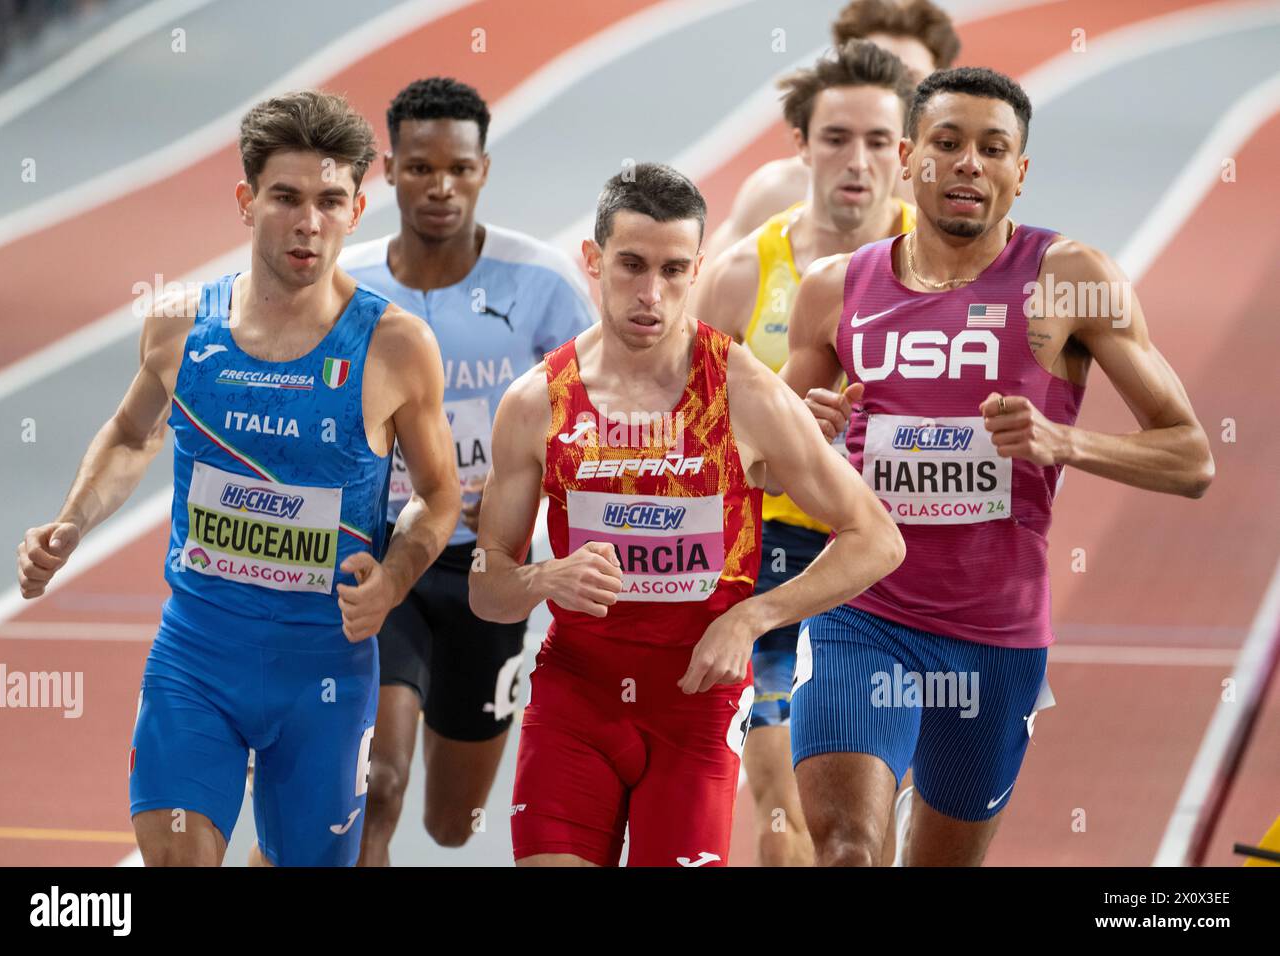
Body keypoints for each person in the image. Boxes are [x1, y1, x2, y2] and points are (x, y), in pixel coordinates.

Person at [16, 90, 461, 867]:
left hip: (325, 671)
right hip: (198, 654)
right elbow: (130, 434)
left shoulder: (395, 347)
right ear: (245, 201)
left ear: (358, 211)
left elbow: (438, 494)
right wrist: (72, 523)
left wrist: (395, 578)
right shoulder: (181, 324)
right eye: (286, 197)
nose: (308, 222)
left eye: (330, 201)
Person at [782, 67, 1214, 866]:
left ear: (1022, 171)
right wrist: (802, 435)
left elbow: (1190, 457)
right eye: (947, 144)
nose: (969, 164)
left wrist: (1066, 442)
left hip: (994, 637)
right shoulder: (834, 288)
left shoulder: (1072, 280)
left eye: (993, 148)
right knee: (845, 848)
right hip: (861, 613)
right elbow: (760, 466)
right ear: (910, 159)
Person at [468, 162, 905, 867]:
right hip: (574, 699)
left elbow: (876, 539)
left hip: (696, 708)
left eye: (674, 271)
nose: (651, 295)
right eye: (631, 266)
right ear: (592, 260)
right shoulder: (535, 403)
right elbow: (487, 587)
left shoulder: (743, 392)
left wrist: (752, 616)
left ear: (697, 269)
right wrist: (544, 580)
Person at [338, 77, 596, 865]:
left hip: (491, 574)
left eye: (458, 168)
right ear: (388, 170)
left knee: (451, 824)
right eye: (419, 168)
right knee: (376, 784)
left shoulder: (544, 283)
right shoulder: (350, 288)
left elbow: (591, 423)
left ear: (484, 169)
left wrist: (530, 510)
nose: (440, 187)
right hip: (386, 556)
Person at [691, 39, 915, 866]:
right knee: (784, 800)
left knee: (868, 827)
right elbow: (699, 443)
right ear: (801, 143)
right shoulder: (743, 274)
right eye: (835, 139)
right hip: (772, 555)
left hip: (898, 562)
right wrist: (781, 429)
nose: (857, 162)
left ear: (907, 151)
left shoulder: (946, 270)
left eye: (878, 141)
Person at [705, 0, 960, 258]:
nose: (888, 93)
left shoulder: (956, 200)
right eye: (872, 74)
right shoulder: (775, 193)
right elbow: (703, 292)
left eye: (909, 80)